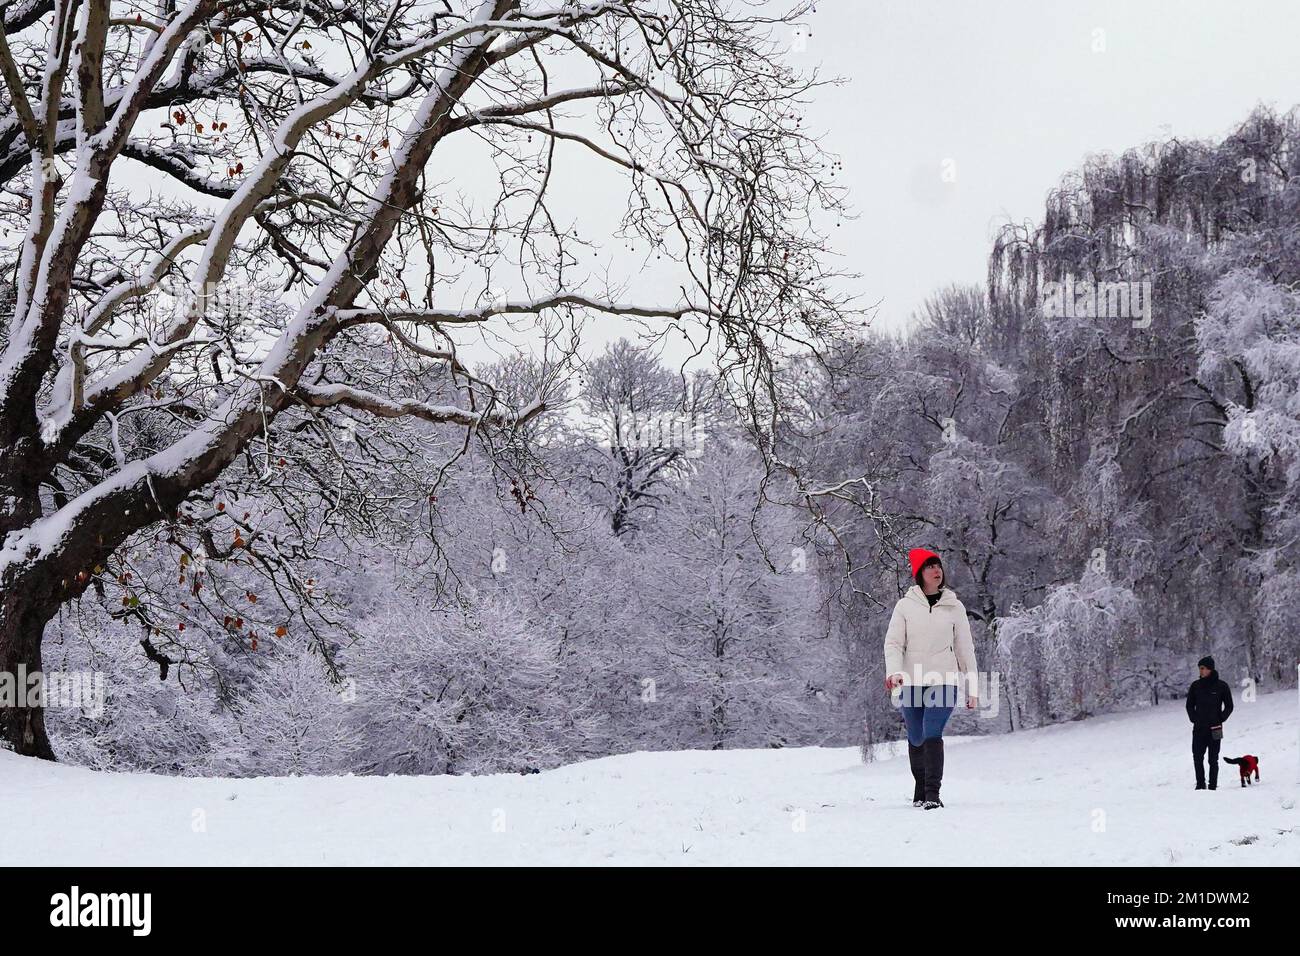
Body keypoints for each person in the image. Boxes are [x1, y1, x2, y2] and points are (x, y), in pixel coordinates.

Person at [883, 548, 978, 809]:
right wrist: (894, 672)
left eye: (938, 565)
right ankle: (920, 787)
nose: (937, 570)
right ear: (919, 574)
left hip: (944, 679)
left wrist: (973, 687)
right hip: (912, 680)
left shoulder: (954, 606)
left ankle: (932, 794)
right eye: (930, 566)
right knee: (916, 736)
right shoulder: (905, 606)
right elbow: (893, 644)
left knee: (932, 730)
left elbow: (965, 648)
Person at [1186, 655, 1233, 790]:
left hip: (1216, 728)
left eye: (1203, 668)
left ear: (1210, 669)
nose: (1200, 671)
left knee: (1213, 759)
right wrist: (1194, 718)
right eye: (1199, 668)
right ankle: (1200, 784)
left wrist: (1221, 718)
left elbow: (1229, 706)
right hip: (1199, 728)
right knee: (1197, 757)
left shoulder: (1222, 686)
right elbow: (1189, 705)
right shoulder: (1195, 686)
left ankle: (1213, 786)